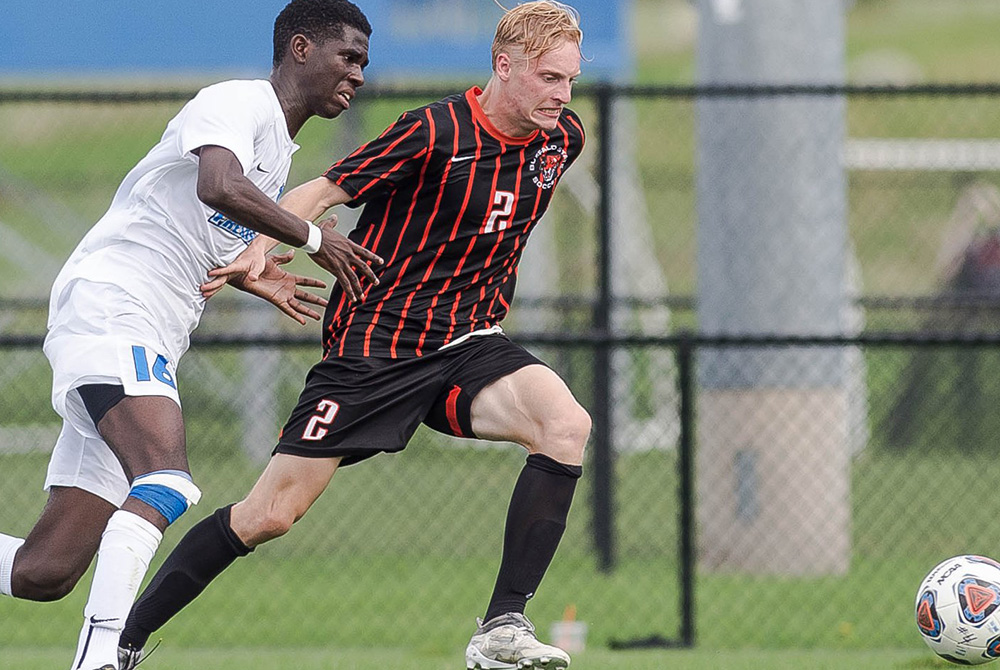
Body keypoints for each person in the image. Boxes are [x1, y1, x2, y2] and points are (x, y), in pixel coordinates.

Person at [120, 2, 588, 668]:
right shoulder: (433, 131)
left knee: (565, 425)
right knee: (270, 514)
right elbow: (322, 191)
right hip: (375, 349)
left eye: (569, 80)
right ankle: (124, 639)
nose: (561, 96)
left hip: (469, 341)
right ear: (503, 66)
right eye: (548, 78)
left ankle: (501, 627)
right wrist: (257, 247)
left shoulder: (560, 140)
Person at [0, 2, 381, 669]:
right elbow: (216, 185)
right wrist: (316, 236)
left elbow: (192, 221)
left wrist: (245, 275)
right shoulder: (238, 103)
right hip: (114, 305)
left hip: (141, 325)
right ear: (299, 48)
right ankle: (99, 662)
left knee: (45, 571)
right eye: (347, 57)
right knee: (166, 479)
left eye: (363, 63)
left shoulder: (275, 152)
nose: (357, 74)